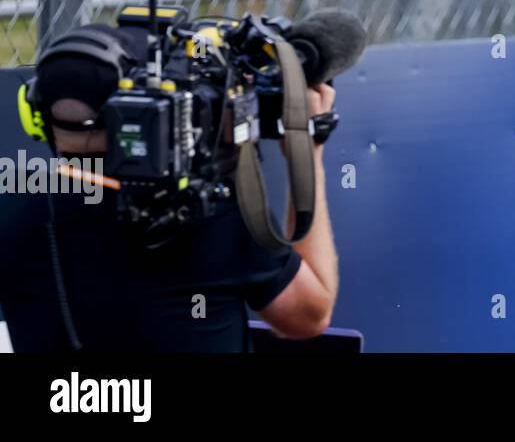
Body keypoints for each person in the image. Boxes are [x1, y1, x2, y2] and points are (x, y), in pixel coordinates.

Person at [0, 33, 339, 351]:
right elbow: (308, 316)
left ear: (35, 115)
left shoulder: (15, 208)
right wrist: (308, 153)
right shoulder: (213, 216)